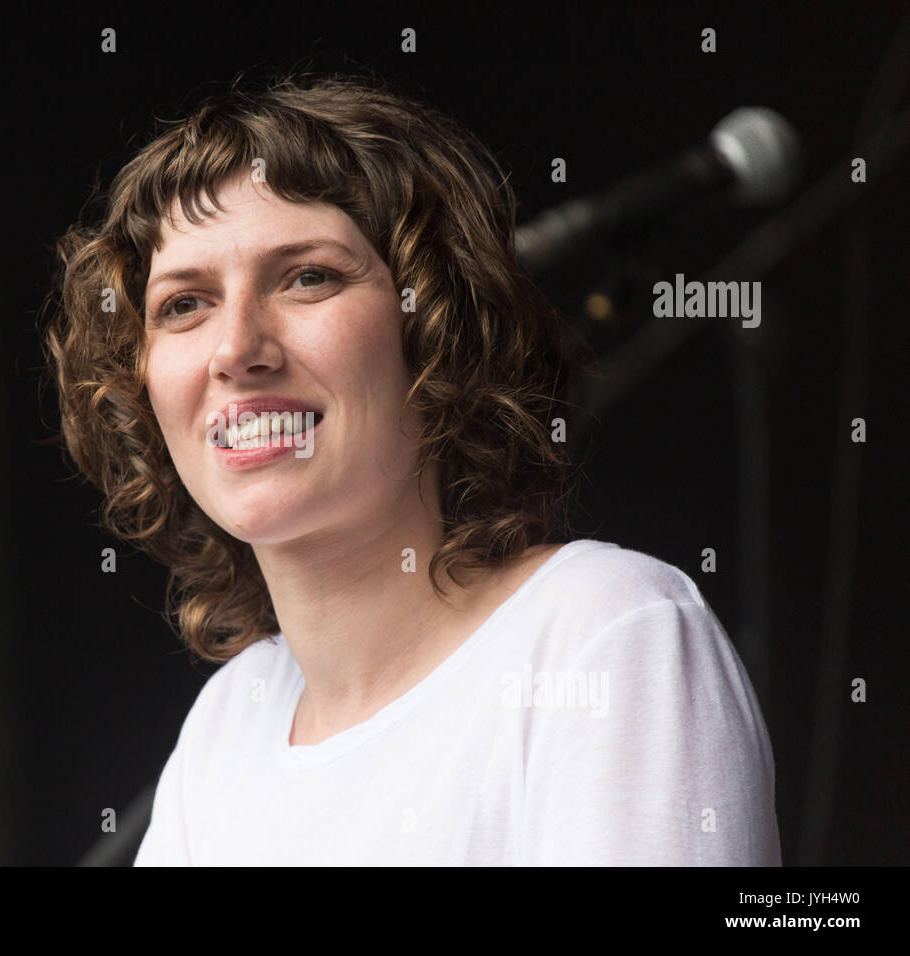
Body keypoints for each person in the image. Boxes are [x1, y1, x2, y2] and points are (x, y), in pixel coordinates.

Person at [39, 72, 781, 865]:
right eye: (184, 304)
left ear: (436, 332)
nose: (235, 349)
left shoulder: (603, 635)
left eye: (307, 277)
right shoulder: (231, 723)